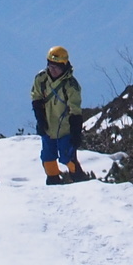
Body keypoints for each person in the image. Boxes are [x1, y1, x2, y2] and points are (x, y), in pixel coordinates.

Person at [31, 45, 88, 185]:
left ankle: (79, 181)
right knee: (48, 158)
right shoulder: (41, 79)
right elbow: (36, 99)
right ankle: (53, 182)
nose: (52, 69)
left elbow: (75, 110)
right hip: (48, 128)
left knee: (68, 158)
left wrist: (76, 133)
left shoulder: (70, 85)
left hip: (65, 130)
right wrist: (40, 121)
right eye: (50, 65)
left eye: (56, 66)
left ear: (64, 66)